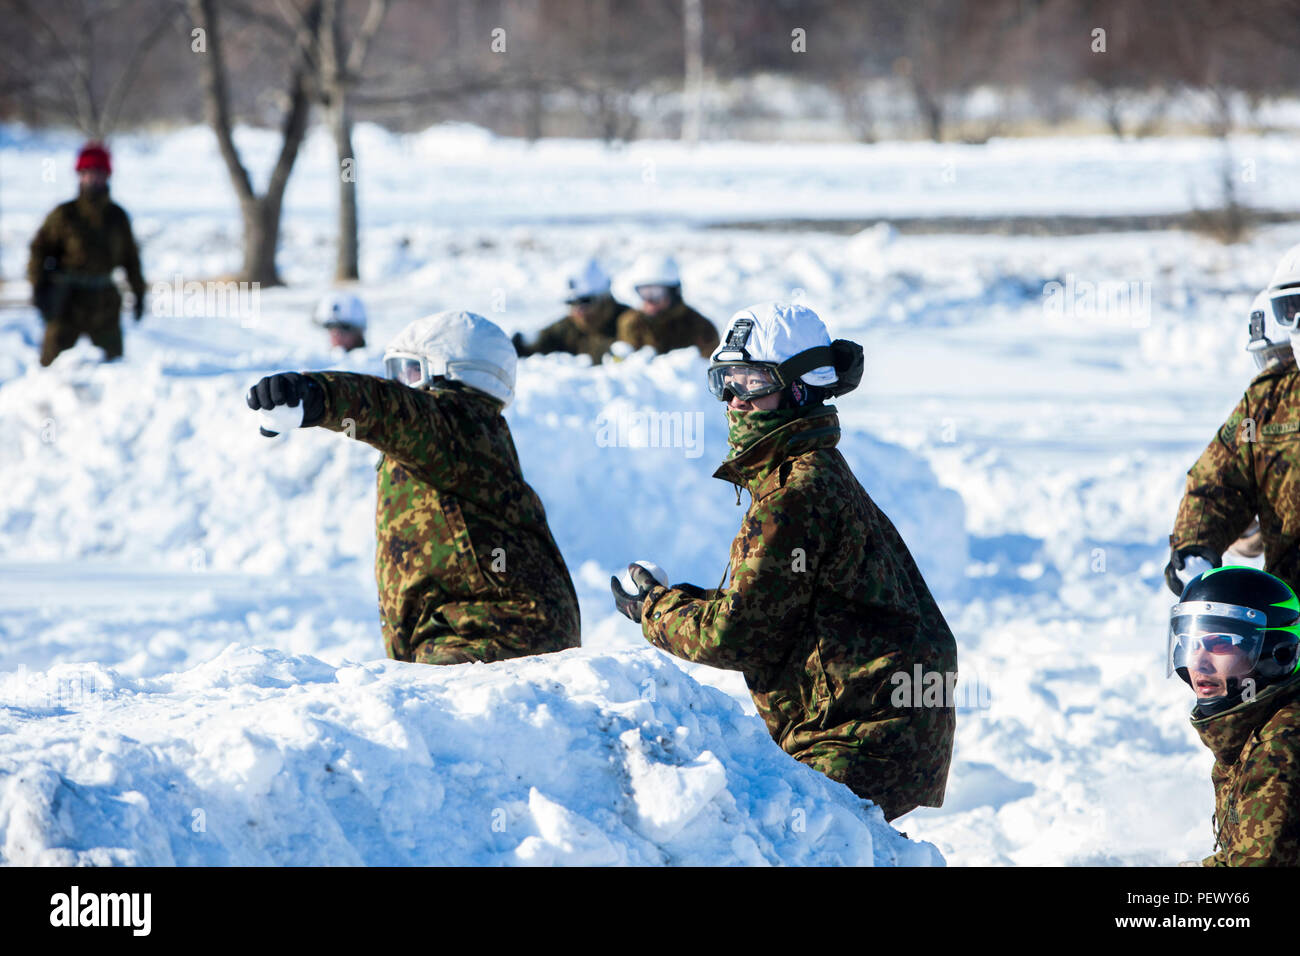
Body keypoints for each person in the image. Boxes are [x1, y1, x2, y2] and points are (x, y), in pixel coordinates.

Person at [610, 302, 957, 821]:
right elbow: (777, 608)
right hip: (883, 730)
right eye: (723, 382)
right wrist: (684, 601)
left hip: (859, 738)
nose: (732, 400)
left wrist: (656, 611)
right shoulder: (810, 469)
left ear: (799, 389)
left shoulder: (794, 493)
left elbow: (739, 635)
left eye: (750, 382)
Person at [246, 310, 581, 665]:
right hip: (482, 630)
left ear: (449, 372)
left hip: (495, 633)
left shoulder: (456, 424)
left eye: (409, 370)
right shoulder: (465, 434)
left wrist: (315, 396)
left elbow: (385, 407)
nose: (401, 383)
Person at [1167, 250, 1300, 596]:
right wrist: (1196, 545)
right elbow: (1218, 481)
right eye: (1292, 308)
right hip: (1289, 622)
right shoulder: (1268, 402)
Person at [1167, 565, 1300, 865]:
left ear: (1276, 651)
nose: (1198, 661)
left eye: (1220, 643)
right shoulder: (1250, 723)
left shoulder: (1279, 746)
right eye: (1189, 642)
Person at [27, 141, 146, 367]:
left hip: (104, 303)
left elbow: (131, 259)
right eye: (88, 173)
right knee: (51, 369)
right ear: (80, 175)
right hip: (66, 301)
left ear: (107, 176)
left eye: (99, 173)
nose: (93, 178)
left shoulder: (117, 217)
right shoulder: (64, 214)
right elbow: (39, 251)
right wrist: (38, 287)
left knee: (114, 369)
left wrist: (139, 294)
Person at [512, 258, 628, 362]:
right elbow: (536, 344)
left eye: (586, 301)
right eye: (572, 303)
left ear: (604, 299)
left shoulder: (630, 323)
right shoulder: (570, 327)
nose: (579, 310)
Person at [615, 253, 718, 358]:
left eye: (656, 292)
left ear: (673, 292)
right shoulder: (630, 323)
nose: (649, 300)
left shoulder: (700, 327)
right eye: (644, 292)